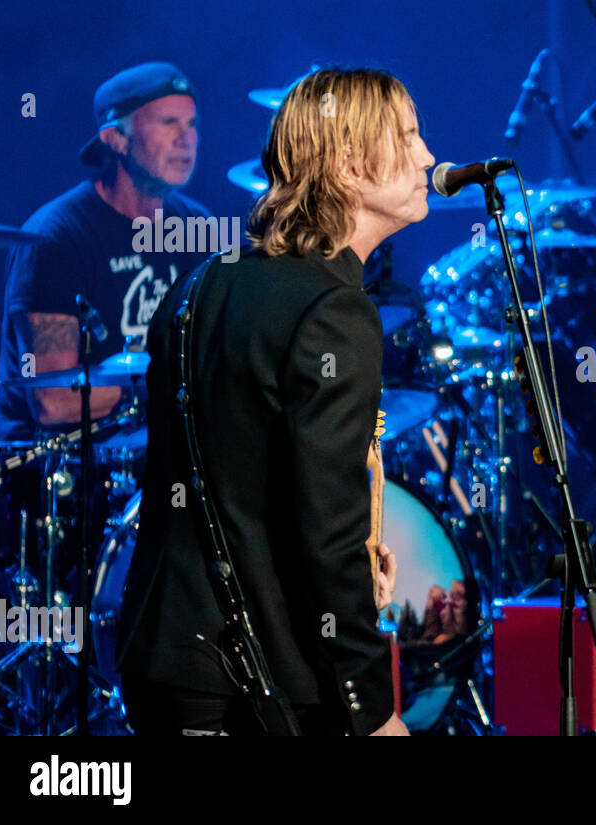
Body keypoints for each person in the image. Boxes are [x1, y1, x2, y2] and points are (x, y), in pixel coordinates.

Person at [116, 67, 436, 736]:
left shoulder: (198, 285)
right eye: (407, 136)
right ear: (348, 164)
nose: (427, 157)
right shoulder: (334, 308)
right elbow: (328, 530)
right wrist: (373, 709)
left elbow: (241, 487)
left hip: (162, 659)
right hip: (257, 687)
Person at [0, 62, 211, 440]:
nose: (186, 138)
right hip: (57, 471)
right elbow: (53, 400)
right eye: (168, 122)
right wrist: (165, 388)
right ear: (116, 139)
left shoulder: (197, 227)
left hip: (153, 452)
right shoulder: (56, 239)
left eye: (191, 124)